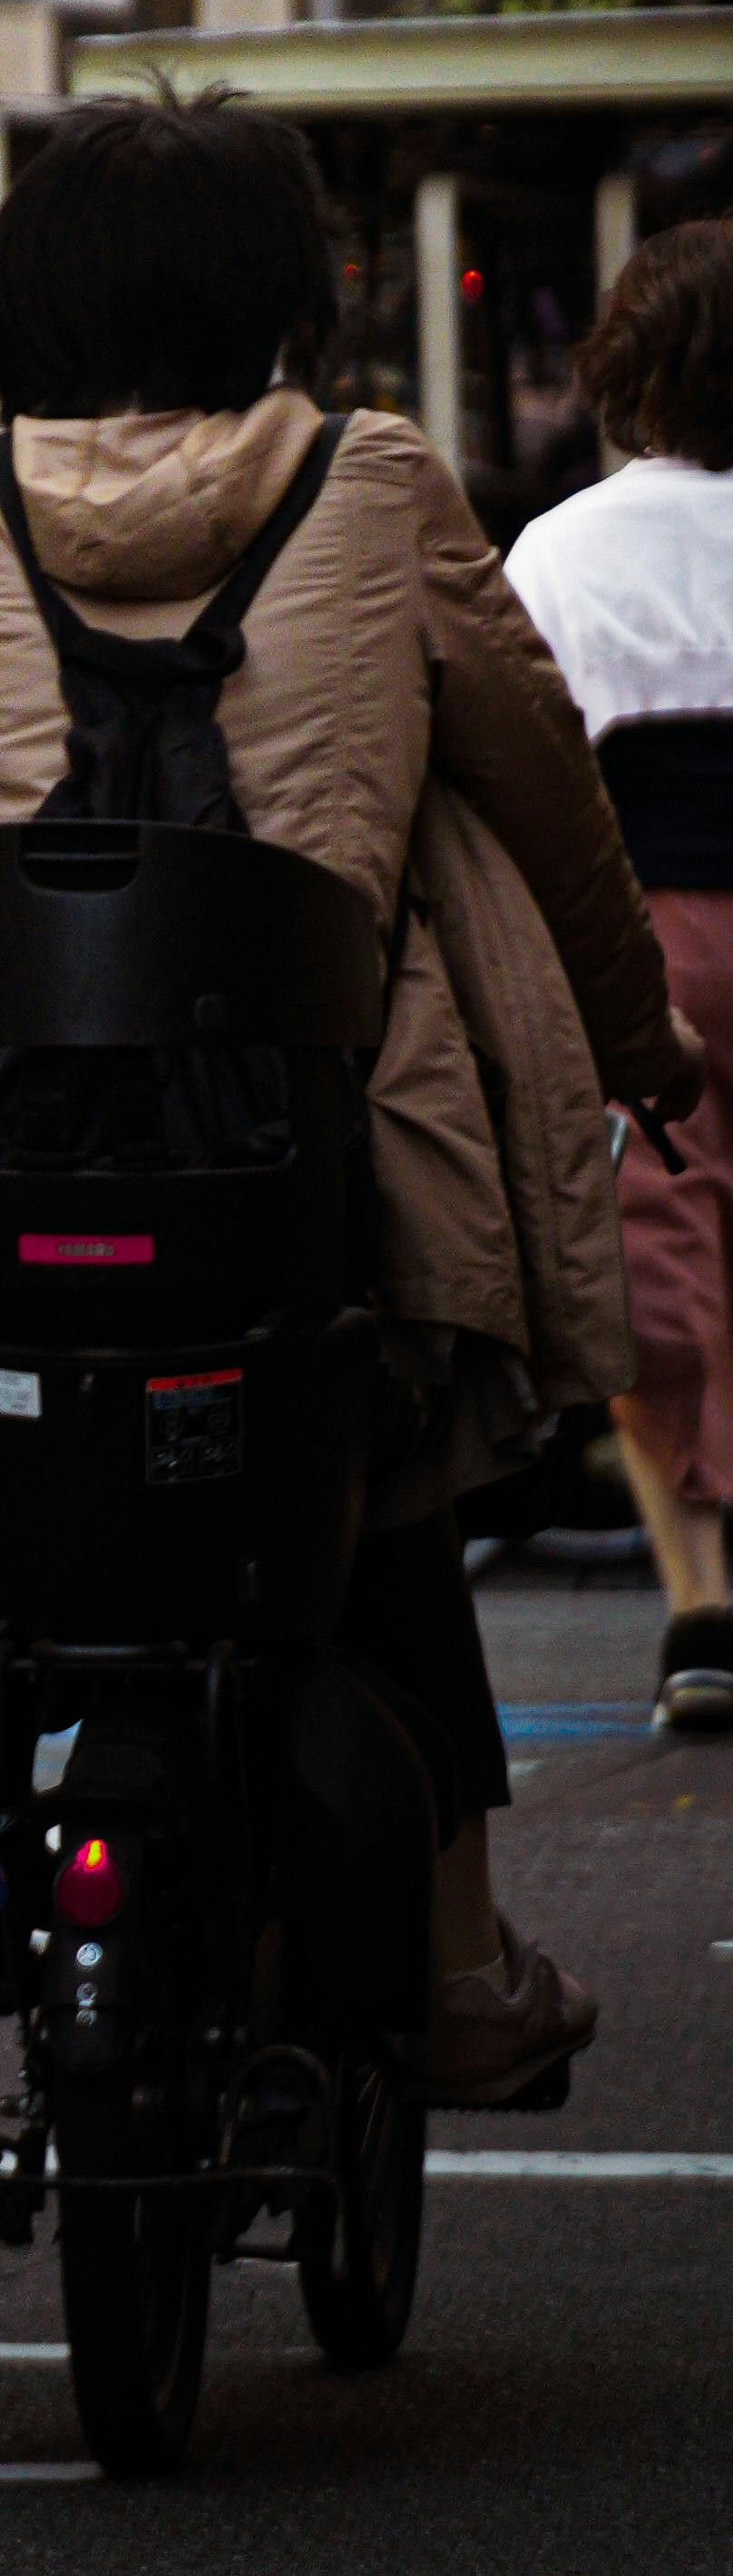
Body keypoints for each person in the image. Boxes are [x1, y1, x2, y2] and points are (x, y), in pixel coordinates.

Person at [0, 91, 703, 2109]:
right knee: (373, 1507)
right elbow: (546, 799)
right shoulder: (374, 486)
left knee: (9, 1511)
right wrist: (634, 1049)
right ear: (272, 298)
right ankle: (457, 1962)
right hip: (302, 1162)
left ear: (18, 295)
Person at [507, 215, 733, 1736]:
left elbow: (521, 771)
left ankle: (701, 1603)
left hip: (650, 928)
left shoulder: (564, 547)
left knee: (660, 1247)